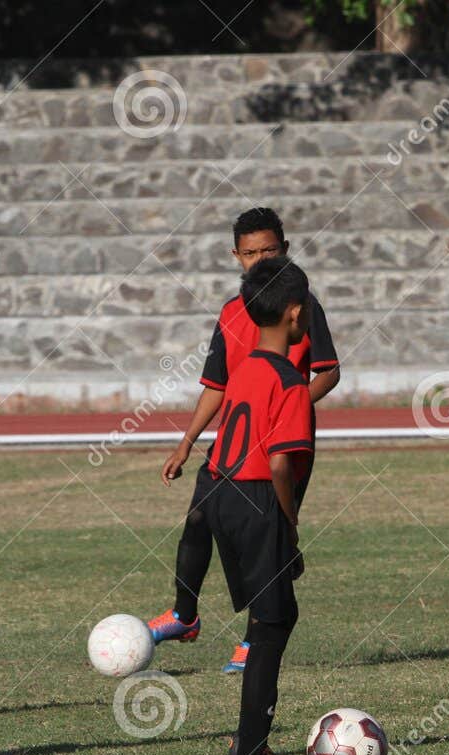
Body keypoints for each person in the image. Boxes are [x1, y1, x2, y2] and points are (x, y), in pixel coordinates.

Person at [149, 206, 339, 673]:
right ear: (236, 256)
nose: (259, 260)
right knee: (199, 517)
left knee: (266, 540)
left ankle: (255, 639)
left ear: (285, 250)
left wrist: (290, 406)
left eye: (268, 251)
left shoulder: (301, 305)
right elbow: (216, 385)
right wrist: (186, 442)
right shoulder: (233, 312)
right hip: (233, 444)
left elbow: (329, 372)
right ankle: (184, 614)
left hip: (281, 444)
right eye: (250, 253)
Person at [203, 256, 318, 755]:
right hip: (254, 498)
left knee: (270, 618)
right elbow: (278, 462)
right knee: (272, 623)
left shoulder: (247, 366)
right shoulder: (291, 381)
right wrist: (289, 523)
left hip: (220, 495)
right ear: (295, 314)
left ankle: (253, 744)